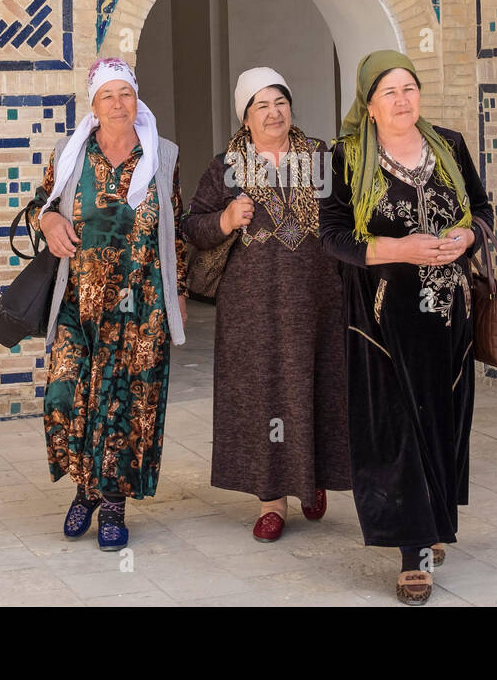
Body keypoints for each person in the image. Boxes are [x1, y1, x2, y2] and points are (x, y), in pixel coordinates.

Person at [318, 50, 493, 605]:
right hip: (383, 320)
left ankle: (433, 517)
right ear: (369, 105)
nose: (402, 100)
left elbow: (483, 211)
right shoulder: (343, 158)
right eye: (389, 92)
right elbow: (333, 236)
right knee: (397, 427)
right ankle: (414, 548)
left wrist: (467, 238)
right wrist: (401, 248)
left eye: (409, 89)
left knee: (444, 420)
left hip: (449, 315)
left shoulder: (450, 145)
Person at [182, 68, 351, 542]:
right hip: (250, 309)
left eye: (280, 101)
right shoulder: (227, 167)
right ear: (245, 116)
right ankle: (271, 500)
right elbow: (192, 226)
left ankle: (314, 478)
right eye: (261, 105)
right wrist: (226, 218)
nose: (273, 112)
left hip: (319, 300)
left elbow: (352, 218)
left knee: (318, 387)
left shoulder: (321, 158)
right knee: (262, 396)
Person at [26, 57, 187, 551]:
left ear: (136, 99)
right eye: (107, 96)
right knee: (63, 396)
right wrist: (50, 222)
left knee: (125, 404)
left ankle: (110, 503)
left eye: (126, 94)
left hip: (142, 301)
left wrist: (178, 293)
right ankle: (84, 487)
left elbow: (174, 228)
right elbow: (40, 204)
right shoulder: (70, 153)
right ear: (93, 106)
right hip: (80, 299)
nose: (118, 104)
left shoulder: (162, 154)